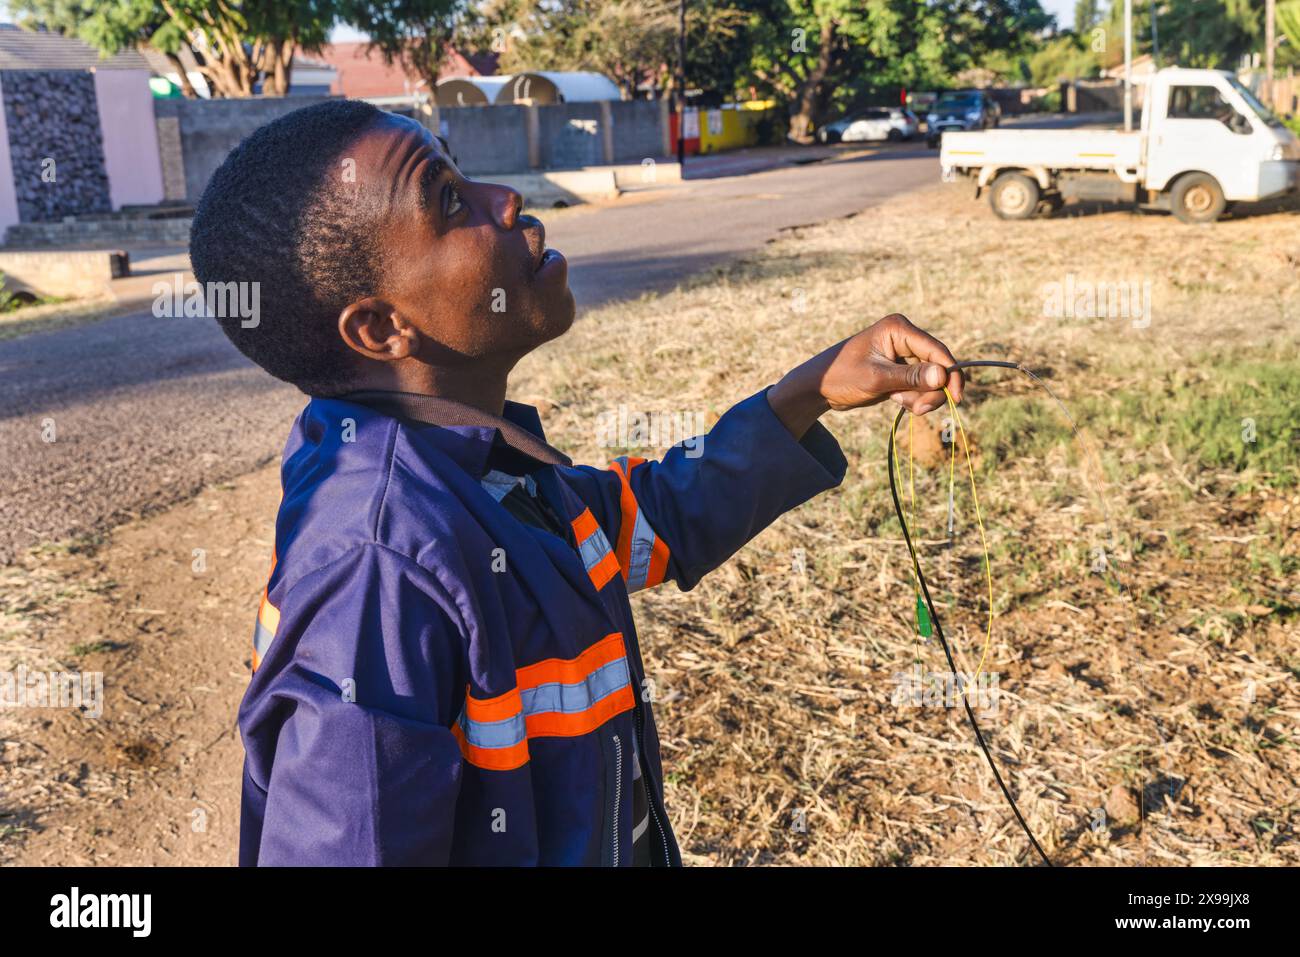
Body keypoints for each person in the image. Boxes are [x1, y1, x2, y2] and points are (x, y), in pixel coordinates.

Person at [189, 99, 964, 865]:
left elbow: (650, 517)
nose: (506, 200)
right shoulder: (378, 567)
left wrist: (812, 390)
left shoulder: (475, 465)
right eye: (450, 201)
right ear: (382, 329)